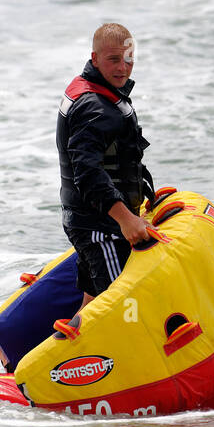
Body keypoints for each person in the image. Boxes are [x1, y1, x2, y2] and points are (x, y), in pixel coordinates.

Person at [57, 23, 157, 308]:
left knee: (94, 298)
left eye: (128, 59)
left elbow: (122, 157)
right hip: (100, 225)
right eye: (113, 59)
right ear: (95, 57)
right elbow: (87, 173)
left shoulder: (99, 91)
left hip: (89, 220)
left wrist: (147, 194)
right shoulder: (95, 107)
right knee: (121, 305)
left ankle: (71, 347)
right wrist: (126, 219)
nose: (122, 68)